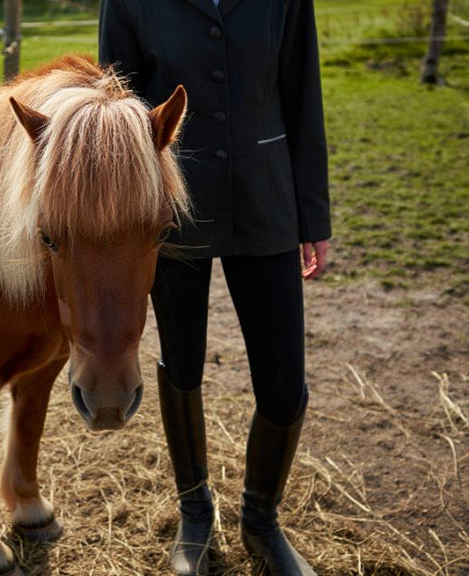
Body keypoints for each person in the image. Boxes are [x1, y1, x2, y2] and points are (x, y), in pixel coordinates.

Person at [99, 1, 332, 575]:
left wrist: (313, 219)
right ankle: (195, 514)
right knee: (182, 364)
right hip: (172, 210)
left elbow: (304, 98)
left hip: (267, 202)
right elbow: (115, 113)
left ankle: (261, 522)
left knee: (283, 385)